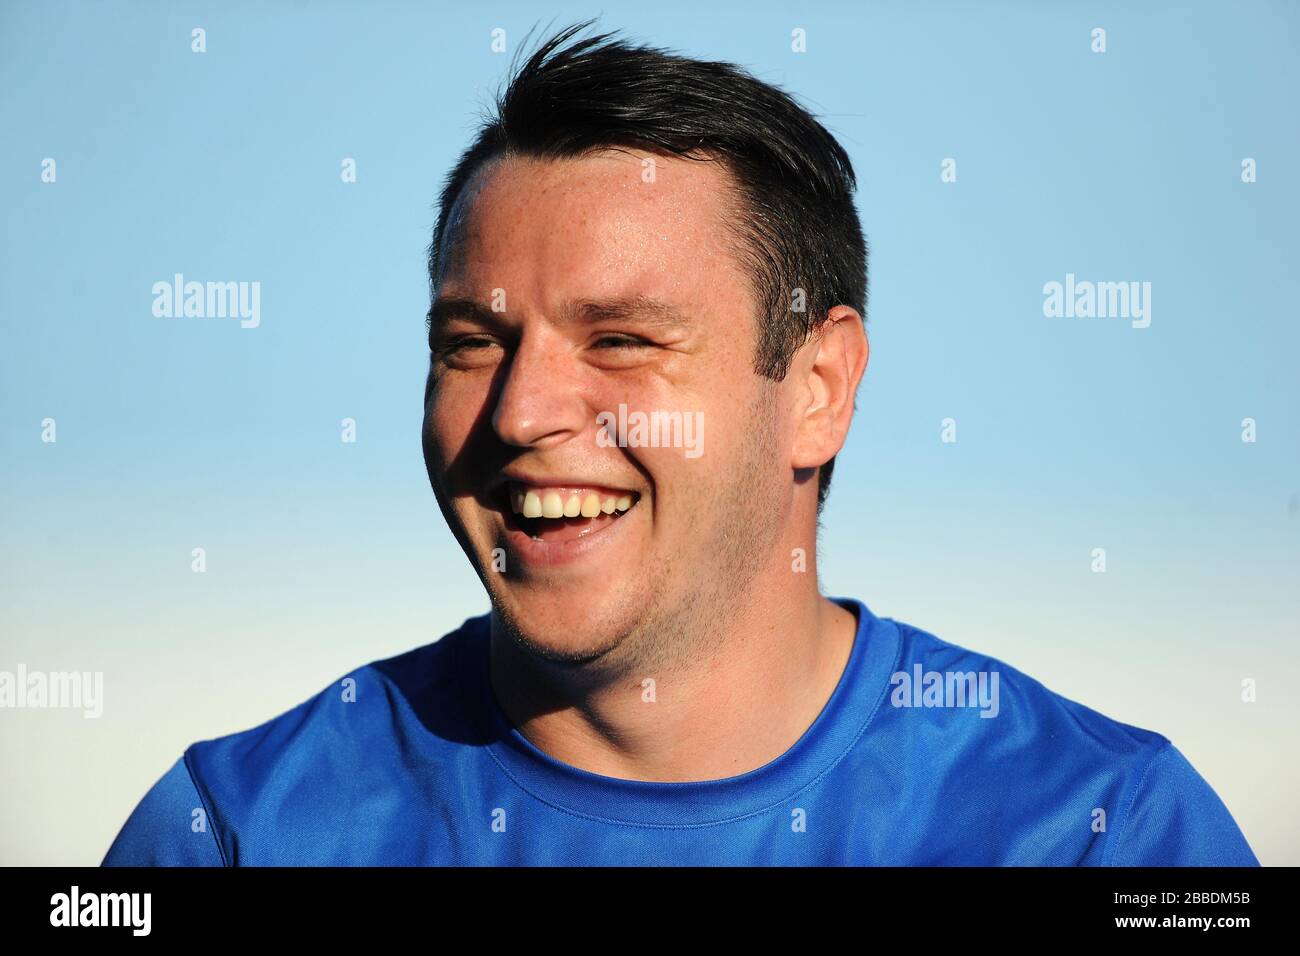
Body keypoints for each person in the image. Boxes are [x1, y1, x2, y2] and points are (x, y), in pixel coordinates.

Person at [103, 23, 1258, 867]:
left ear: (816, 387)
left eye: (619, 339)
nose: (518, 412)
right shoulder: (239, 832)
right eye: (471, 341)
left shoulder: (1106, 834)